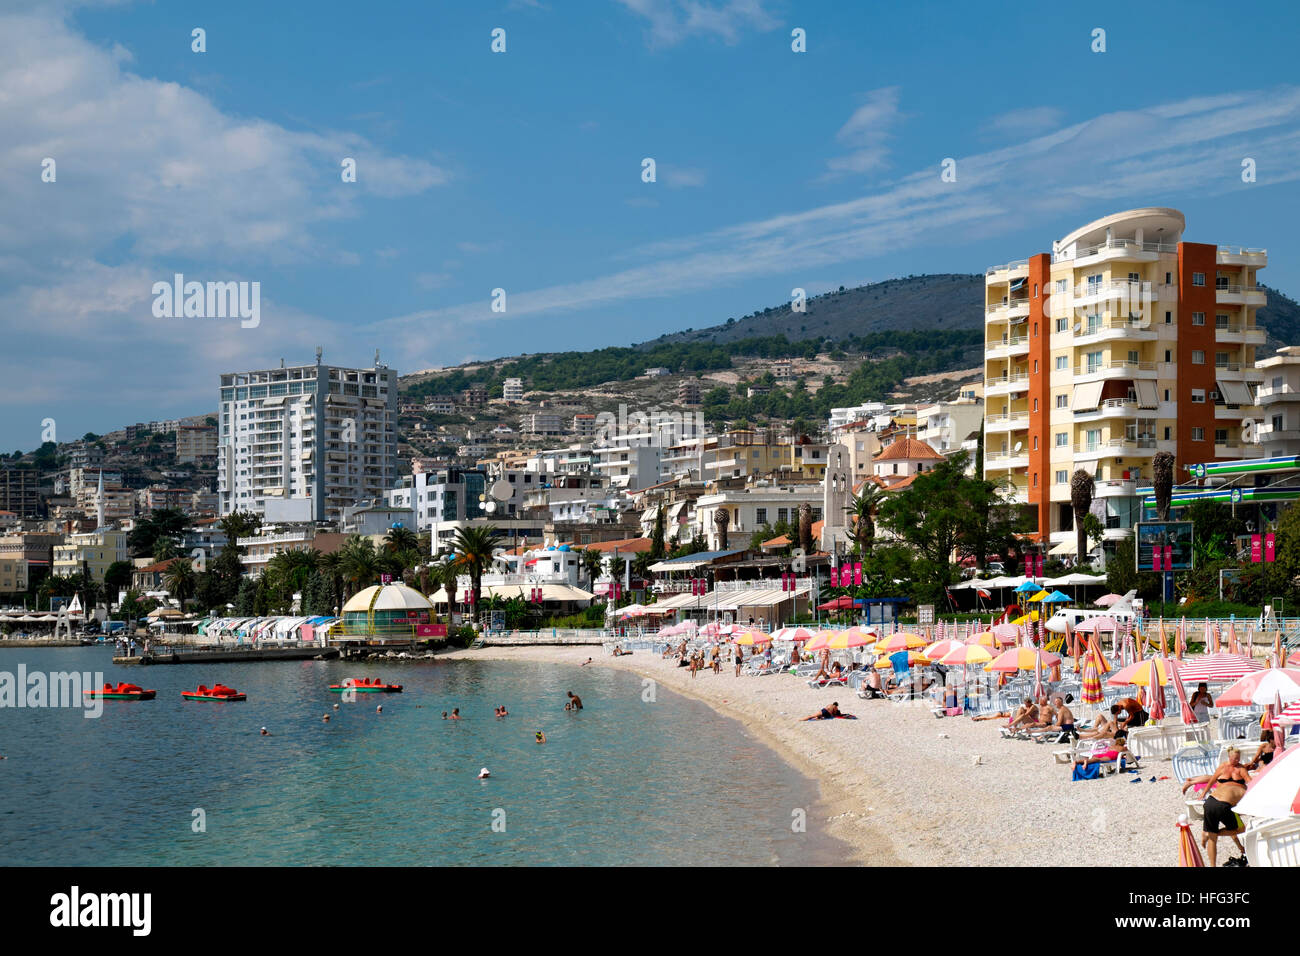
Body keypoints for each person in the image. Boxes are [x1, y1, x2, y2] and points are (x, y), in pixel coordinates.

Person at [1201, 748, 1250, 867]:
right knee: (1240, 828)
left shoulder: (1241, 769)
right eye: (1234, 758)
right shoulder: (1224, 768)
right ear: (1229, 757)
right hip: (1224, 804)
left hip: (1210, 802)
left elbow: (1249, 779)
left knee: (1213, 837)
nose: (1237, 760)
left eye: (1238, 758)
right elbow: (1212, 779)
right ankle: (1211, 834)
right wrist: (1203, 793)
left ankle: (1212, 864)